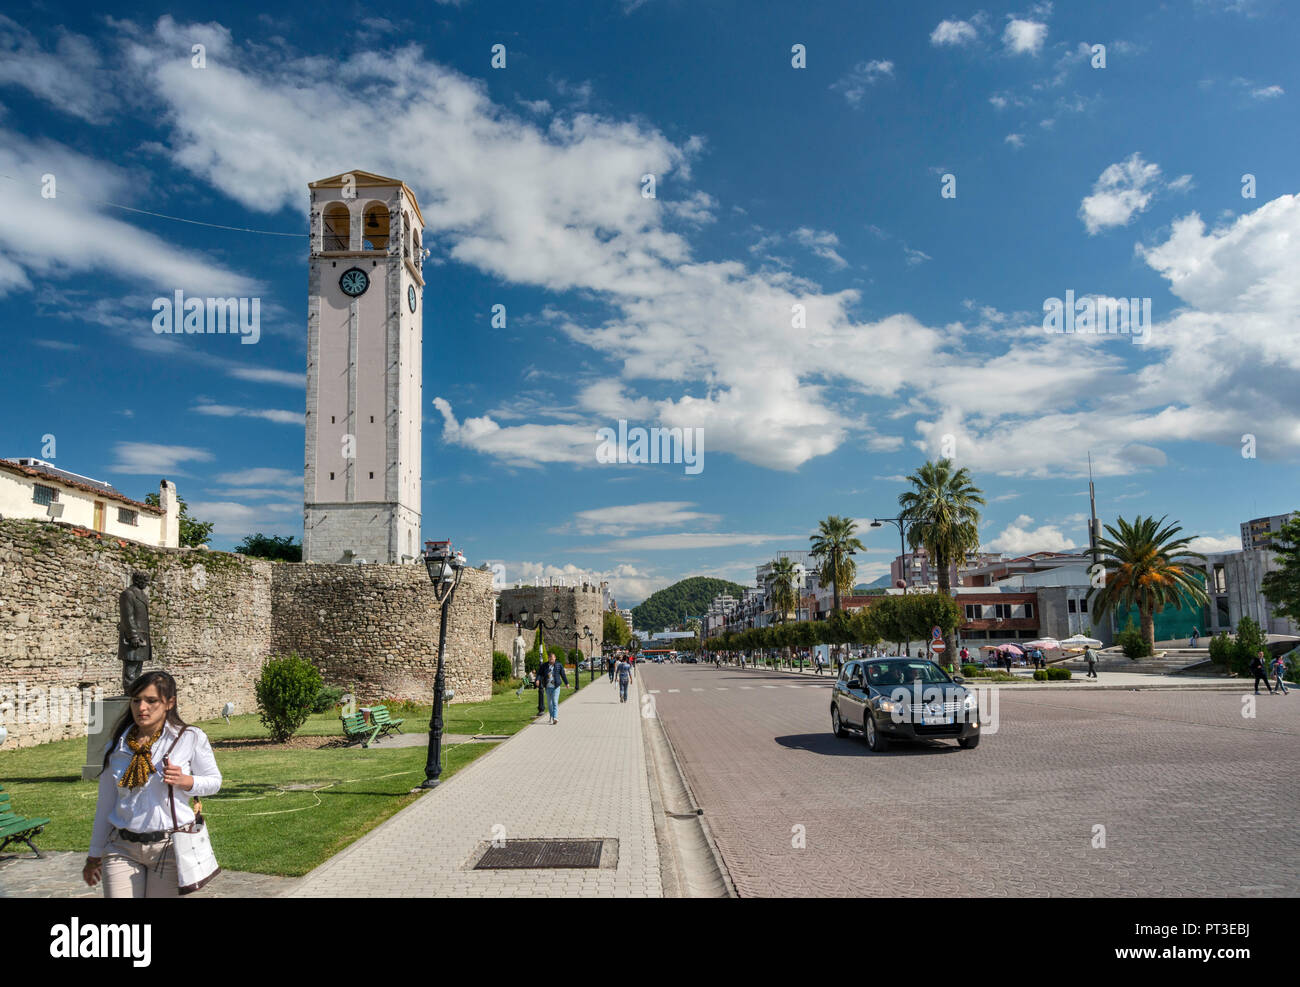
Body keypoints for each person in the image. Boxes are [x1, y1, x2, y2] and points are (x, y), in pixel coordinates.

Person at [83, 670, 221, 898]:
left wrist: (187, 781)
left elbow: (214, 781)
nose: (141, 708)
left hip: (169, 847)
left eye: (151, 700)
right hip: (121, 847)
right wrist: (94, 854)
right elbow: (105, 804)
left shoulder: (190, 738)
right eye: (136, 700)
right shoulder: (117, 746)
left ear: (169, 703)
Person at [540, 651, 569, 723]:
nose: (551, 660)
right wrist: (538, 680)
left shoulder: (559, 665)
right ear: (548, 659)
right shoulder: (545, 666)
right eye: (550, 659)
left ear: (555, 658)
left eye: (552, 659)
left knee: (555, 702)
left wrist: (566, 683)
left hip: (556, 687)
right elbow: (540, 673)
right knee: (550, 704)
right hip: (548, 687)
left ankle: (555, 718)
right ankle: (552, 716)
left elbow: (563, 675)